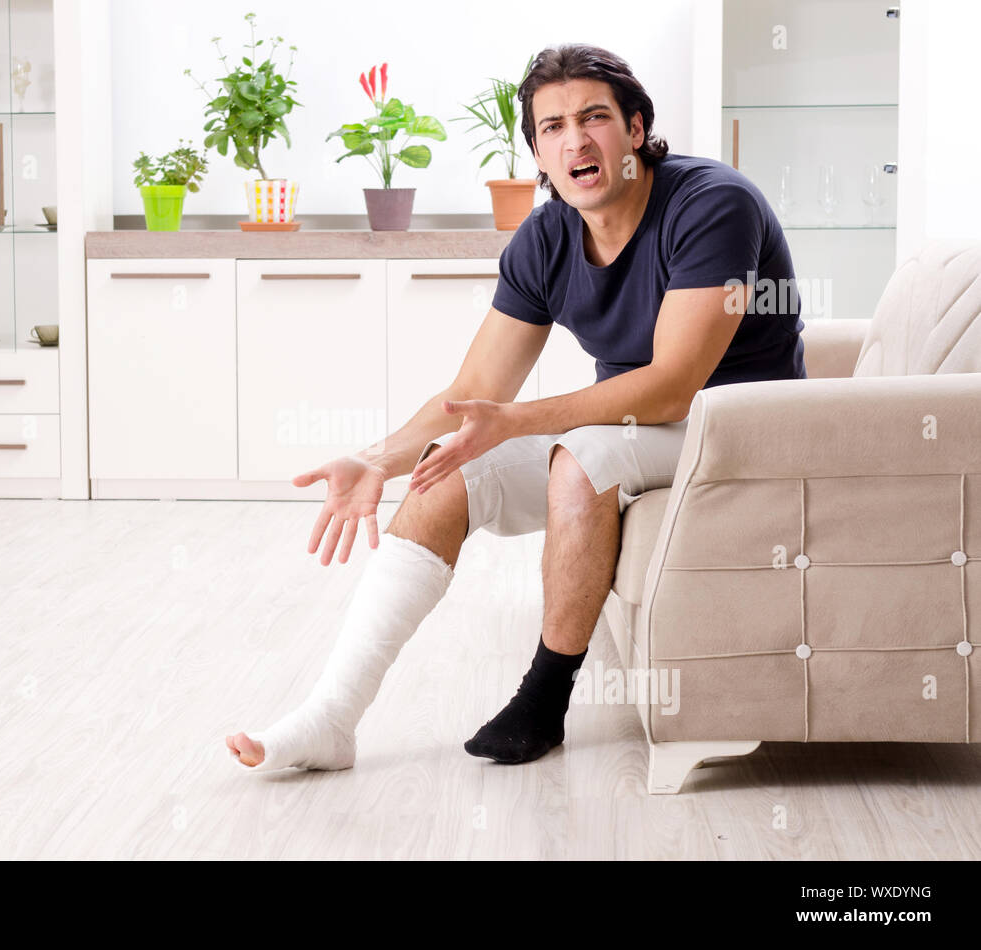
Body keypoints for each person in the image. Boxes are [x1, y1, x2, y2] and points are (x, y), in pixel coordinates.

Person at [225, 42, 807, 772]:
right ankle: (331, 719)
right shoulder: (546, 238)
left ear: (635, 129)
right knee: (447, 476)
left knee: (581, 456)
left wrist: (522, 422)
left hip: (740, 428)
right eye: (552, 127)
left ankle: (545, 698)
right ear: (536, 149)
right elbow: (475, 391)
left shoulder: (711, 205)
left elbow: (672, 385)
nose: (576, 140)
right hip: (642, 433)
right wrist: (380, 457)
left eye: (595, 117)